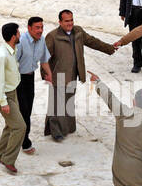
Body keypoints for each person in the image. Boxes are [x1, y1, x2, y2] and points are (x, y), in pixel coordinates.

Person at [43, 10, 115, 142]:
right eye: (66, 21)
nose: (70, 23)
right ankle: (56, 132)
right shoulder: (52, 36)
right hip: (58, 74)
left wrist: (109, 49)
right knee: (57, 104)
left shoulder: (78, 32)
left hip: (73, 73)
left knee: (68, 101)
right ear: (60, 22)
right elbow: (44, 58)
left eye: (71, 20)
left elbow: (93, 42)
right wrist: (46, 75)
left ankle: (68, 128)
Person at [0, 22, 27, 175]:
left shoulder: (12, 50)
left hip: (13, 93)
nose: (20, 35)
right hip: (5, 95)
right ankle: (8, 159)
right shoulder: (1, 56)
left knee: (10, 125)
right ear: (13, 36)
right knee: (20, 127)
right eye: (18, 33)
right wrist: (3, 102)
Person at [14, 16, 53, 155]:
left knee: (28, 109)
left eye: (41, 27)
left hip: (30, 78)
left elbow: (44, 60)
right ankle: (24, 142)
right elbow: (13, 63)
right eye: (37, 27)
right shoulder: (21, 41)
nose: (40, 30)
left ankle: (21, 137)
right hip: (18, 79)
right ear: (29, 28)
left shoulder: (41, 40)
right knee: (23, 110)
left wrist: (49, 75)